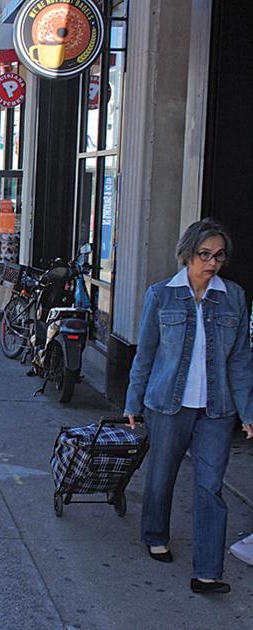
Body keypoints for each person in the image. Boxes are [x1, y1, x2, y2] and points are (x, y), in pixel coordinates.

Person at [124, 218, 253, 595]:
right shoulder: (161, 295)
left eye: (219, 256)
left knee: (210, 487)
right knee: (162, 475)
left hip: (217, 409)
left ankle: (208, 572)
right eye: (205, 254)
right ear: (188, 254)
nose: (212, 263)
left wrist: (247, 411)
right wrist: (133, 401)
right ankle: (154, 532)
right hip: (167, 404)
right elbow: (145, 354)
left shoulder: (233, 296)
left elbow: (240, 360)